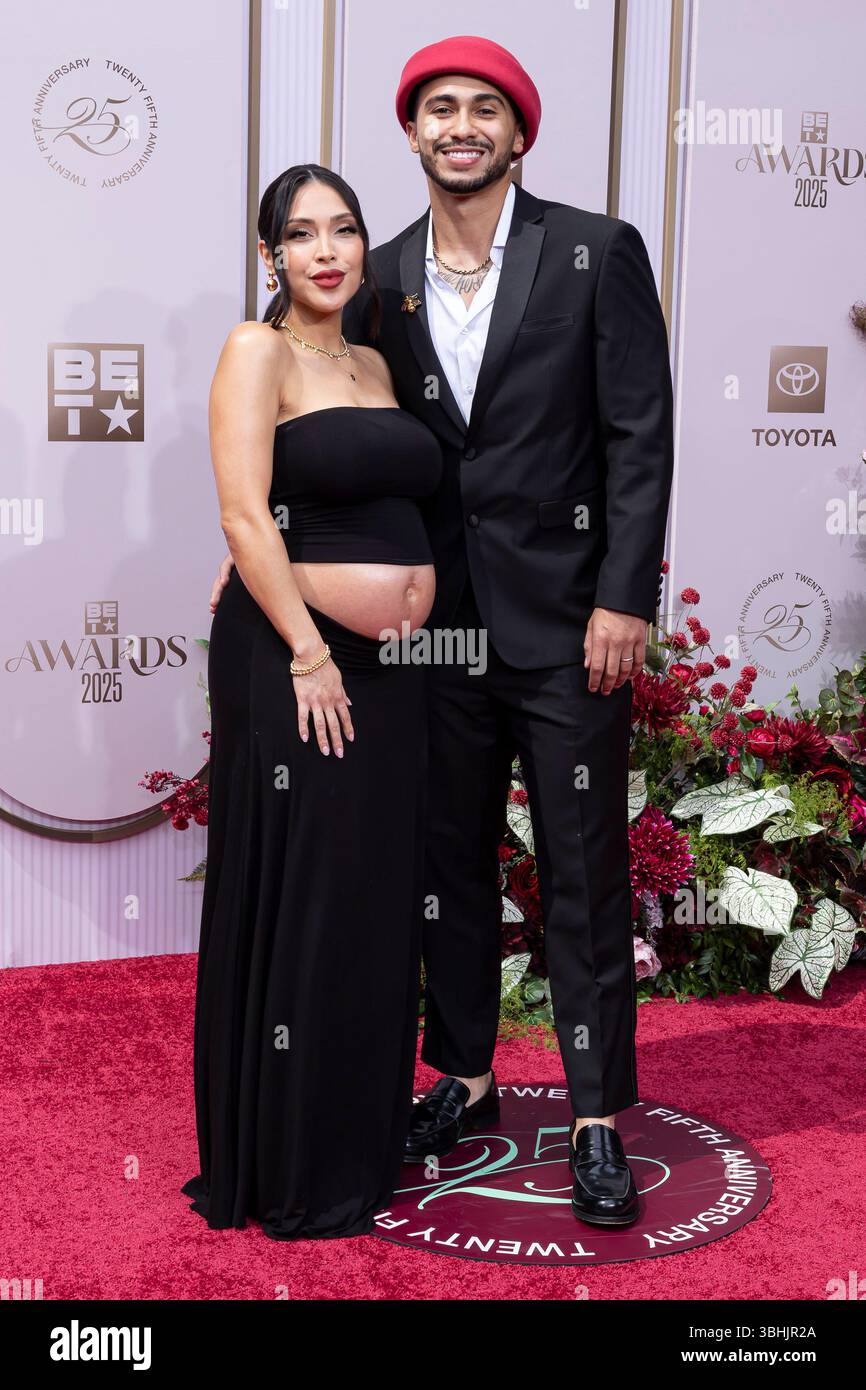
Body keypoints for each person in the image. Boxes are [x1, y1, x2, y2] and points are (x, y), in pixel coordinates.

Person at [212, 35, 674, 1228]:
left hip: (573, 628)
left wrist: (623, 595)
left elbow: (638, 436)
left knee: (579, 871)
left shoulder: (591, 252)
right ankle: (465, 1078)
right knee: (448, 866)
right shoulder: (381, 282)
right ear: (411, 135)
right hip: (433, 647)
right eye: (436, 110)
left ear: (517, 134)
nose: (459, 127)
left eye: (483, 110)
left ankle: (589, 1116)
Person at [182, 164, 443, 1239]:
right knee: (305, 896)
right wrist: (305, 650)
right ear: (270, 257)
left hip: (389, 680)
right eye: (301, 234)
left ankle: (358, 1147)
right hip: (300, 666)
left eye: (343, 230)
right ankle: (291, 1162)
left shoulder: (379, 361)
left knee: (372, 903)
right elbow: (246, 517)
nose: (326, 250)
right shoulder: (258, 351)